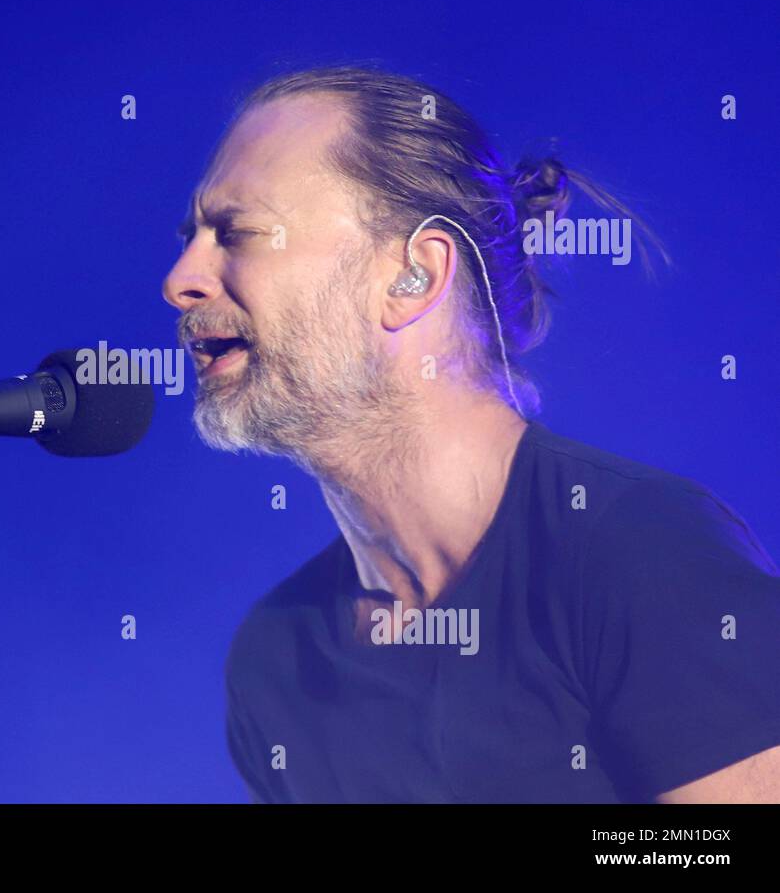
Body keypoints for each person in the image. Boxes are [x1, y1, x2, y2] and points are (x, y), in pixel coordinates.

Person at [162, 66, 780, 802]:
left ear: (413, 277)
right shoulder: (275, 658)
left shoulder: (638, 549)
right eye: (192, 237)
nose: (180, 279)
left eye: (238, 233)